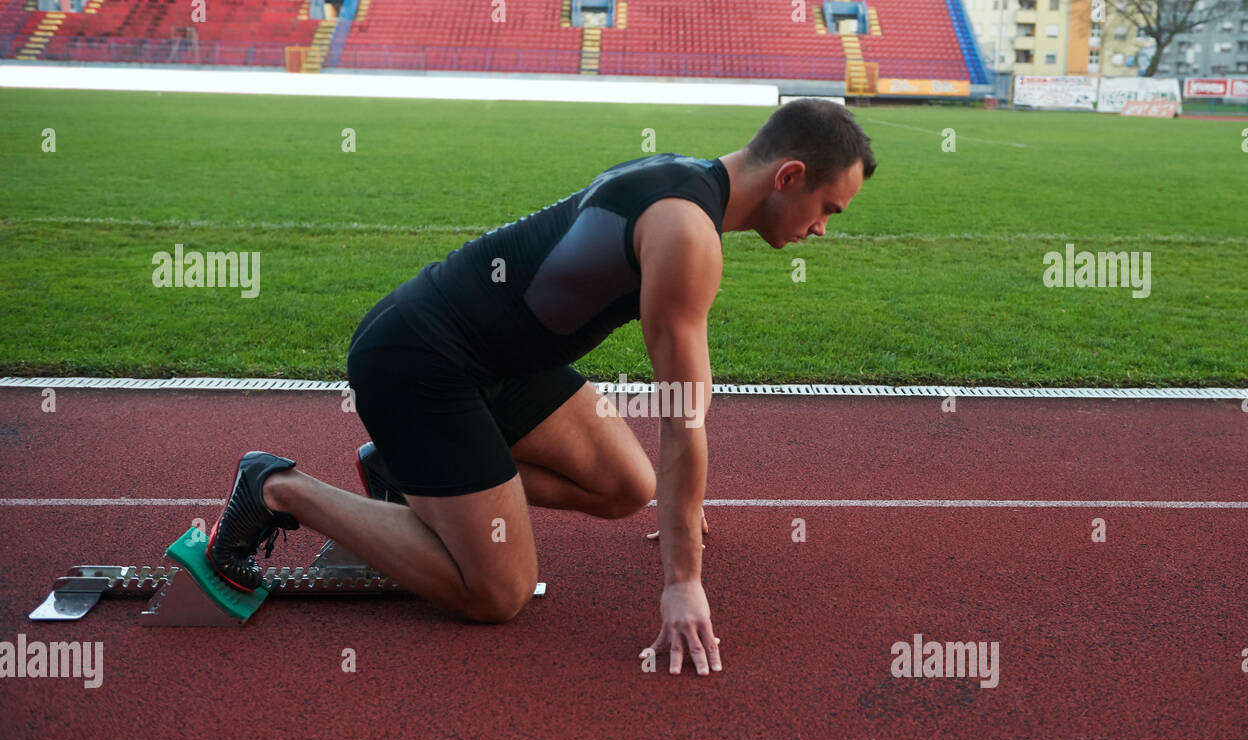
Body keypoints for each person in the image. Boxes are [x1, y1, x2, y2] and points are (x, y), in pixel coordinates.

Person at [205, 99, 875, 677]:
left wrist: (677, 500)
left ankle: (407, 476)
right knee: (498, 594)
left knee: (626, 486)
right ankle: (275, 487)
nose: (821, 229)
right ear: (790, 175)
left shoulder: (683, 177)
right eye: (827, 209)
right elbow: (683, 418)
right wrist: (682, 582)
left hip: (503, 363)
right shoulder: (688, 234)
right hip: (420, 362)